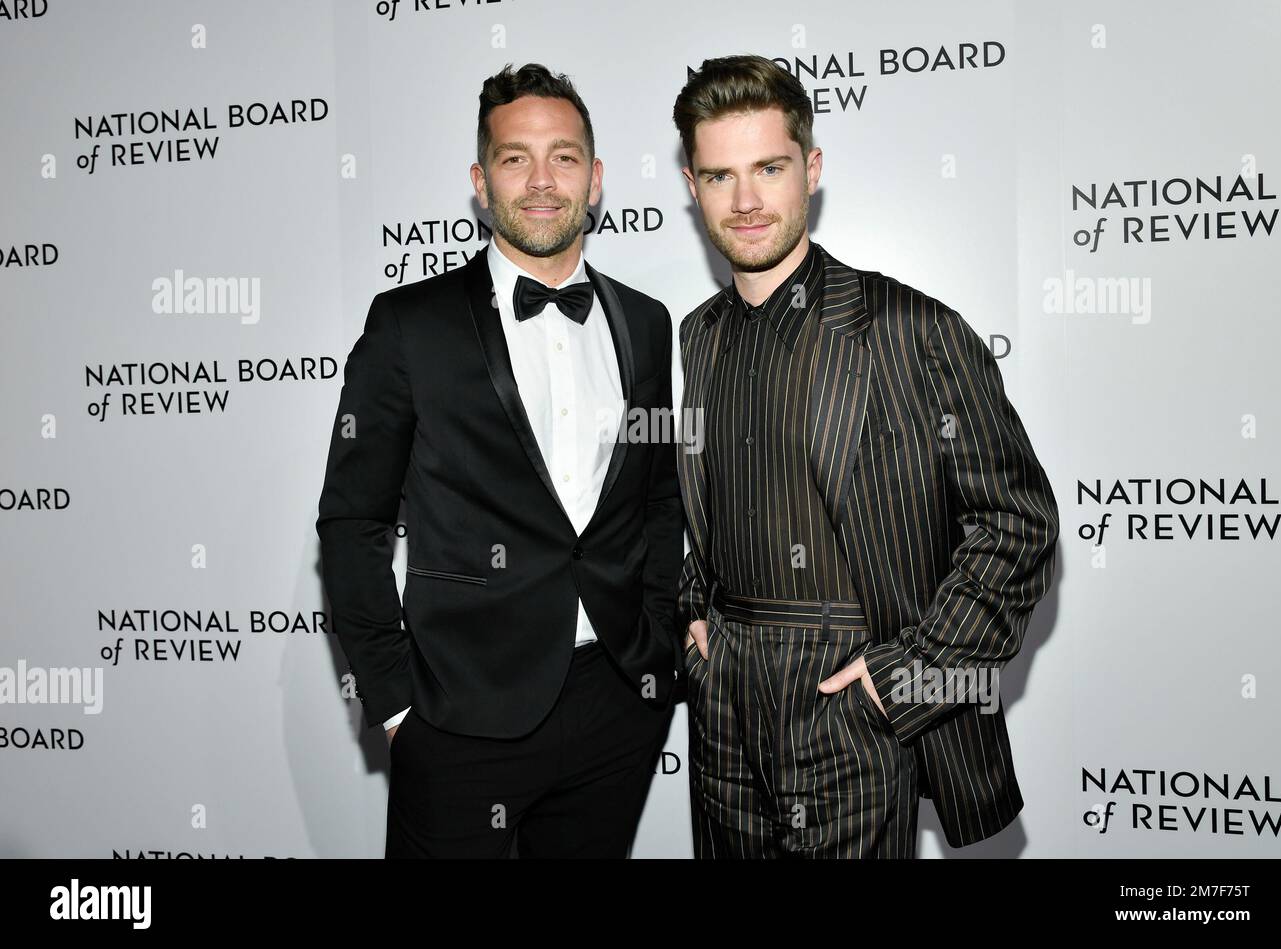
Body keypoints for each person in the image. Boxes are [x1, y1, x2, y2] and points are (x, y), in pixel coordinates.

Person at [672, 54, 1060, 857]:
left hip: (848, 690)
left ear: (810, 169)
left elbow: (1018, 523)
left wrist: (907, 672)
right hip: (723, 696)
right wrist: (698, 617)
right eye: (719, 176)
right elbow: (703, 505)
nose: (745, 201)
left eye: (768, 168)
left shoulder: (911, 330)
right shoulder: (699, 337)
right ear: (691, 184)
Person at [316, 62, 682, 858]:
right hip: (457, 715)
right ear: (482, 182)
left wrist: (656, 644)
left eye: (565, 156)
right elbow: (353, 520)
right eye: (517, 158)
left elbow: (657, 500)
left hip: (617, 702)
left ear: (597, 179)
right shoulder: (410, 325)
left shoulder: (647, 323)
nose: (543, 180)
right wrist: (396, 705)